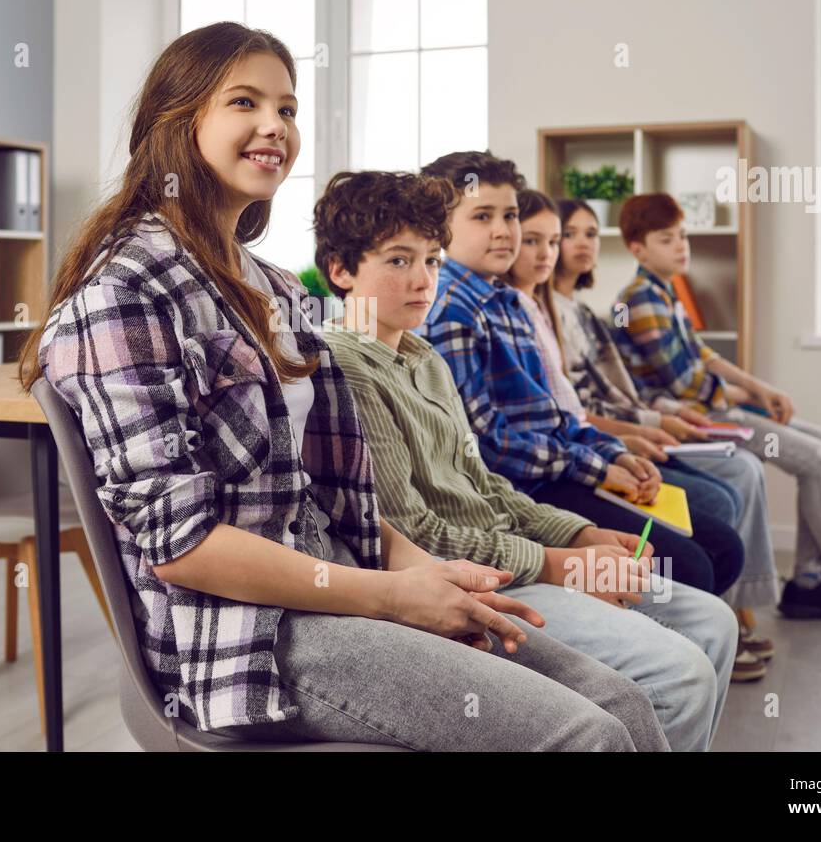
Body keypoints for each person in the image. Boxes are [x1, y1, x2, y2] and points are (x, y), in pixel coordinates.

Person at [18, 21, 666, 750]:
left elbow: (329, 495)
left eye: (288, 109)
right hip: (253, 635)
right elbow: (181, 544)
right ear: (179, 121)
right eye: (245, 102)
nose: (275, 126)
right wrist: (392, 595)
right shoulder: (125, 290)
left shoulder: (267, 285)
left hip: (348, 582)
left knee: (621, 699)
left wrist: (432, 576)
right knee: (588, 734)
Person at [315, 168, 738, 749]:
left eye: (432, 260)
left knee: (715, 622)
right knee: (680, 673)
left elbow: (484, 484)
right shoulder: (345, 366)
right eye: (397, 261)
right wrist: (553, 562)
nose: (421, 279)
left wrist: (580, 532)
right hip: (473, 581)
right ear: (340, 271)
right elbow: (414, 534)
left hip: (514, 551)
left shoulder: (423, 355)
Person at [415, 149, 745, 598]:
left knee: (722, 547)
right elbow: (485, 442)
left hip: (559, 468)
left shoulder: (506, 301)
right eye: (482, 216)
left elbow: (555, 412)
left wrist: (612, 453)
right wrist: (594, 468)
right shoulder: (453, 309)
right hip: (527, 486)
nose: (502, 231)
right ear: (441, 225)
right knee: (692, 566)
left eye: (509, 215)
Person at [611, 192, 821, 621]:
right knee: (817, 459)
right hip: (694, 418)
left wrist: (757, 387)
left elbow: (702, 356)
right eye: (666, 239)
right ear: (637, 248)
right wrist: (746, 396)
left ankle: (811, 580)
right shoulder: (638, 300)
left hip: (713, 407)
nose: (681, 245)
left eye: (683, 236)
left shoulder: (664, 292)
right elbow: (685, 383)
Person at [551, 196, 780, 677]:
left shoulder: (593, 313)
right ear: (637, 247)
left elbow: (632, 388)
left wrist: (658, 421)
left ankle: (735, 617)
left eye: (591, 233)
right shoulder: (621, 302)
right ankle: (721, 626)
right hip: (616, 437)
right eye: (566, 235)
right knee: (730, 486)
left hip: (646, 424)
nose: (581, 244)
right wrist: (648, 427)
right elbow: (594, 404)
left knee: (742, 475)